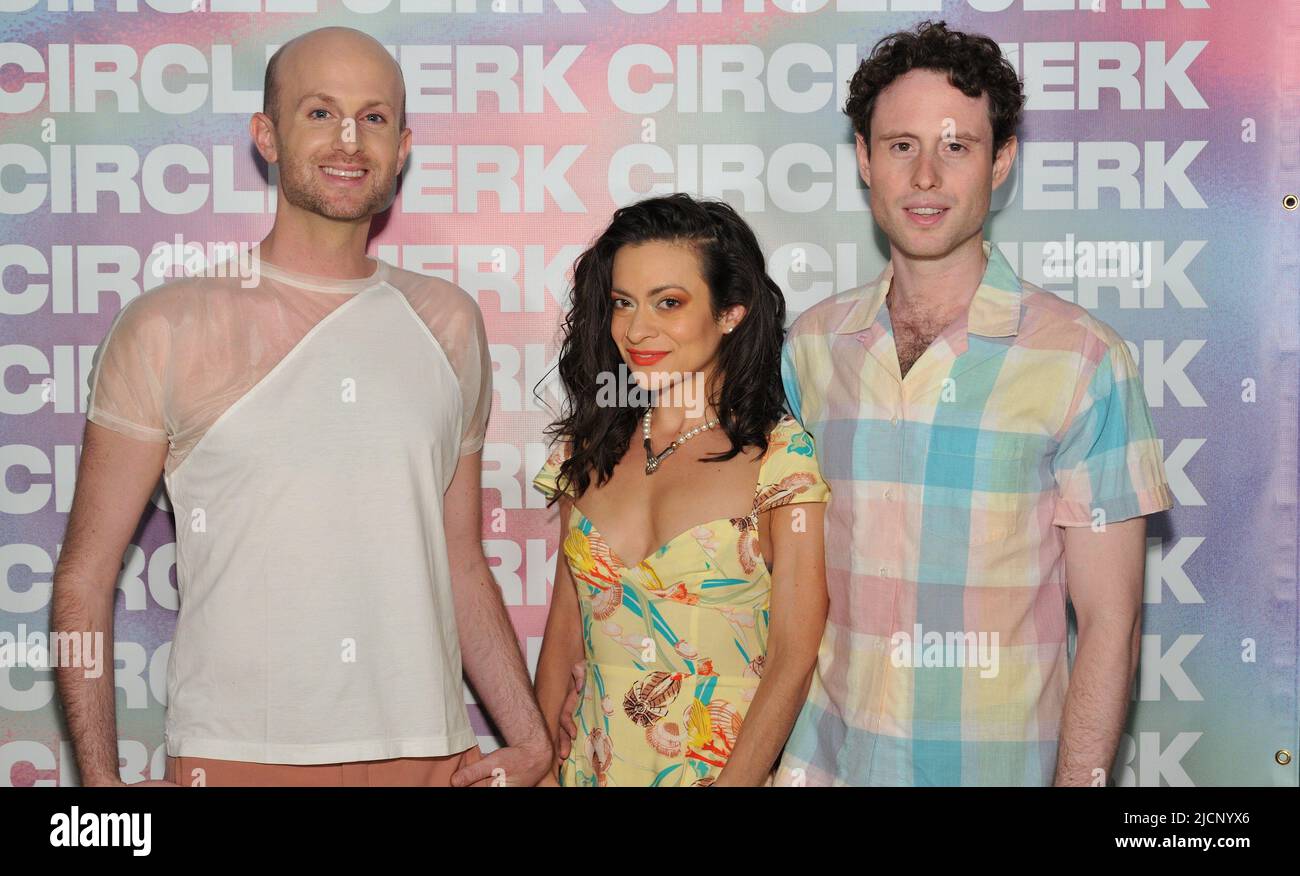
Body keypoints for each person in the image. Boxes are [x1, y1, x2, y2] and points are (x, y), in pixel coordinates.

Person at [51, 26, 553, 787]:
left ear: (403, 144)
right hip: (237, 756)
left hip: (428, 752)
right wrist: (101, 785)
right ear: (267, 135)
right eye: (320, 112)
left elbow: (459, 558)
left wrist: (531, 739)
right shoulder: (168, 326)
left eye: (374, 117)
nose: (349, 140)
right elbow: (84, 578)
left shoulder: (448, 320)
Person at [775, 20, 1174, 786]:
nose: (926, 177)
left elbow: (1110, 625)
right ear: (863, 159)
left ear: (1001, 163)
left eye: (956, 146)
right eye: (901, 146)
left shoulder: (1084, 361)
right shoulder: (812, 349)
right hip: (822, 765)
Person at [531, 193, 831, 786]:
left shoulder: (779, 458)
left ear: (730, 313)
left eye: (669, 303)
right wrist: (540, 764)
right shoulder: (585, 452)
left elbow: (794, 657)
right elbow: (565, 635)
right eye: (623, 303)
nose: (638, 329)